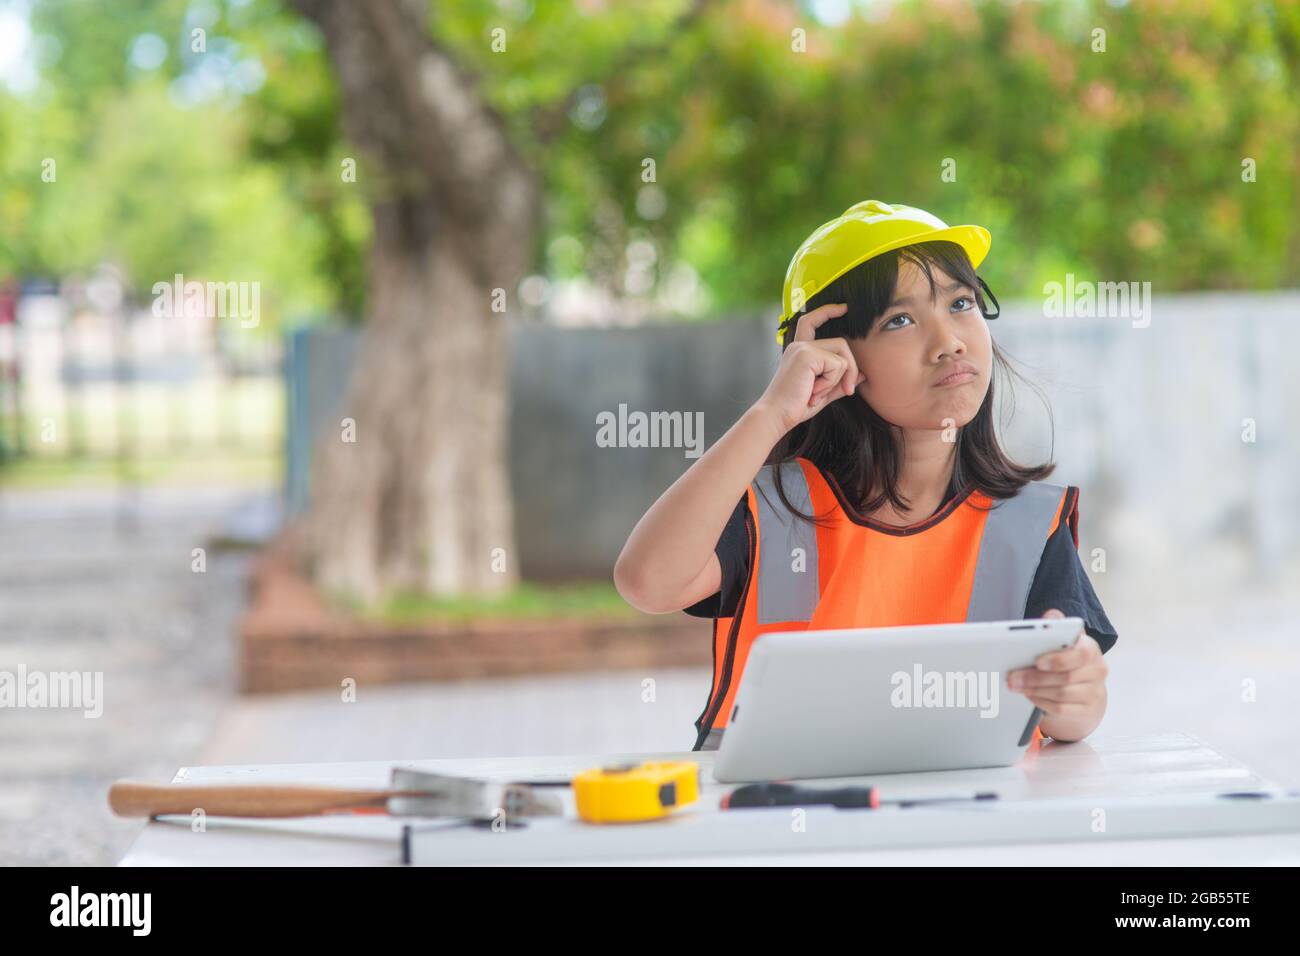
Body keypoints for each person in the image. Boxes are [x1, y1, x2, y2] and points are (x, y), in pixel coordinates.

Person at [614, 200, 1117, 752]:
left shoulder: (1028, 523)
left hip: (965, 828)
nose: (948, 340)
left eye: (961, 302)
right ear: (831, 354)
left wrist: (1076, 695)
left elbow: (1069, 717)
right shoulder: (775, 509)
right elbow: (647, 582)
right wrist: (771, 414)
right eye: (899, 319)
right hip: (775, 822)